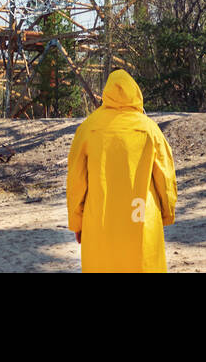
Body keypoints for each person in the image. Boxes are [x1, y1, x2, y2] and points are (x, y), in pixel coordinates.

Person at [66, 69, 177, 273]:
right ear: (136, 92)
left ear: (106, 93)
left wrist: (77, 222)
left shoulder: (88, 128)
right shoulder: (149, 129)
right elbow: (165, 176)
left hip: (99, 222)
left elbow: (76, 182)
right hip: (141, 218)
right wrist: (167, 214)